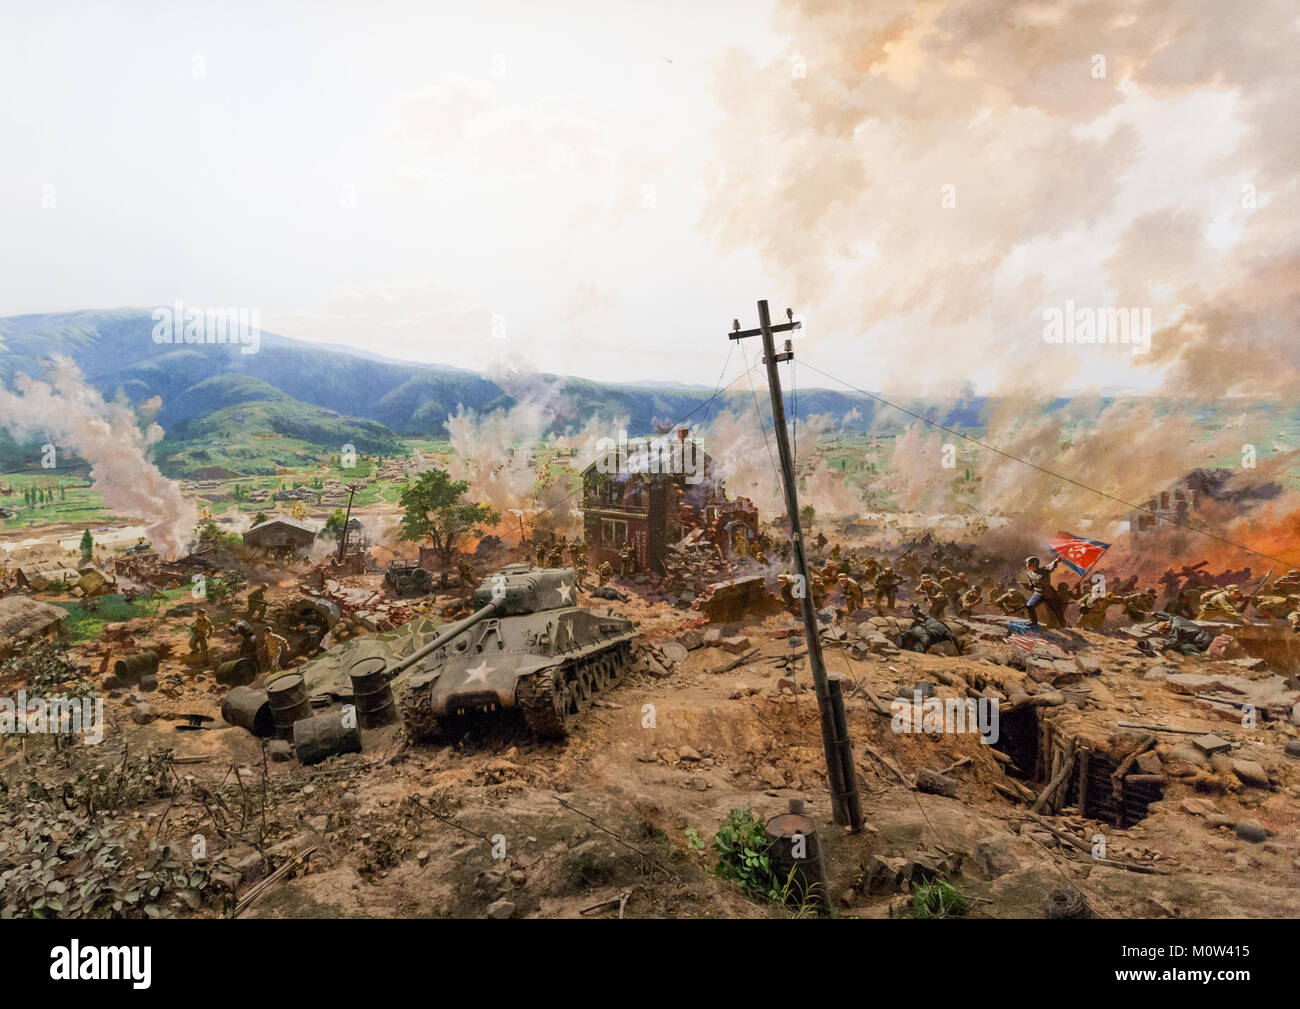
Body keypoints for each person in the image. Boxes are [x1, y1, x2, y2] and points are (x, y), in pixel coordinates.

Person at [1022, 556, 1063, 629]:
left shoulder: (1044, 570)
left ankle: (1062, 624)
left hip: (1048, 594)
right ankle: (1033, 621)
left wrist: (1056, 561)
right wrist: (1027, 586)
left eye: (1028, 563)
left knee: (1055, 610)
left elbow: (1050, 566)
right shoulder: (1029, 573)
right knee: (1029, 606)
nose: (1027, 565)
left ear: (1033, 564)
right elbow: (1032, 585)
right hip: (1038, 593)